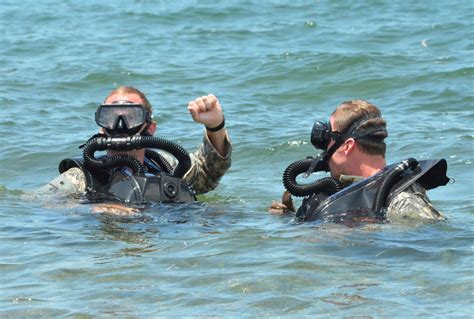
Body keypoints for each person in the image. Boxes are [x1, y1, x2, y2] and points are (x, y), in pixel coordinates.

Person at [42, 86, 232, 204]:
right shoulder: (81, 177)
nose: (121, 125)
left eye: (131, 116)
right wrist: (94, 210)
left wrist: (215, 126)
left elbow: (208, 175)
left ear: (150, 129)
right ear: (102, 129)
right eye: (111, 117)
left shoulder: (163, 165)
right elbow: (36, 207)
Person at [272, 99, 449, 223]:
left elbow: (426, 247)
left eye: (329, 139)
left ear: (347, 146)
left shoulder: (401, 198)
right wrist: (288, 217)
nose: (324, 150)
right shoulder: (341, 191)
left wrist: (362, 231)